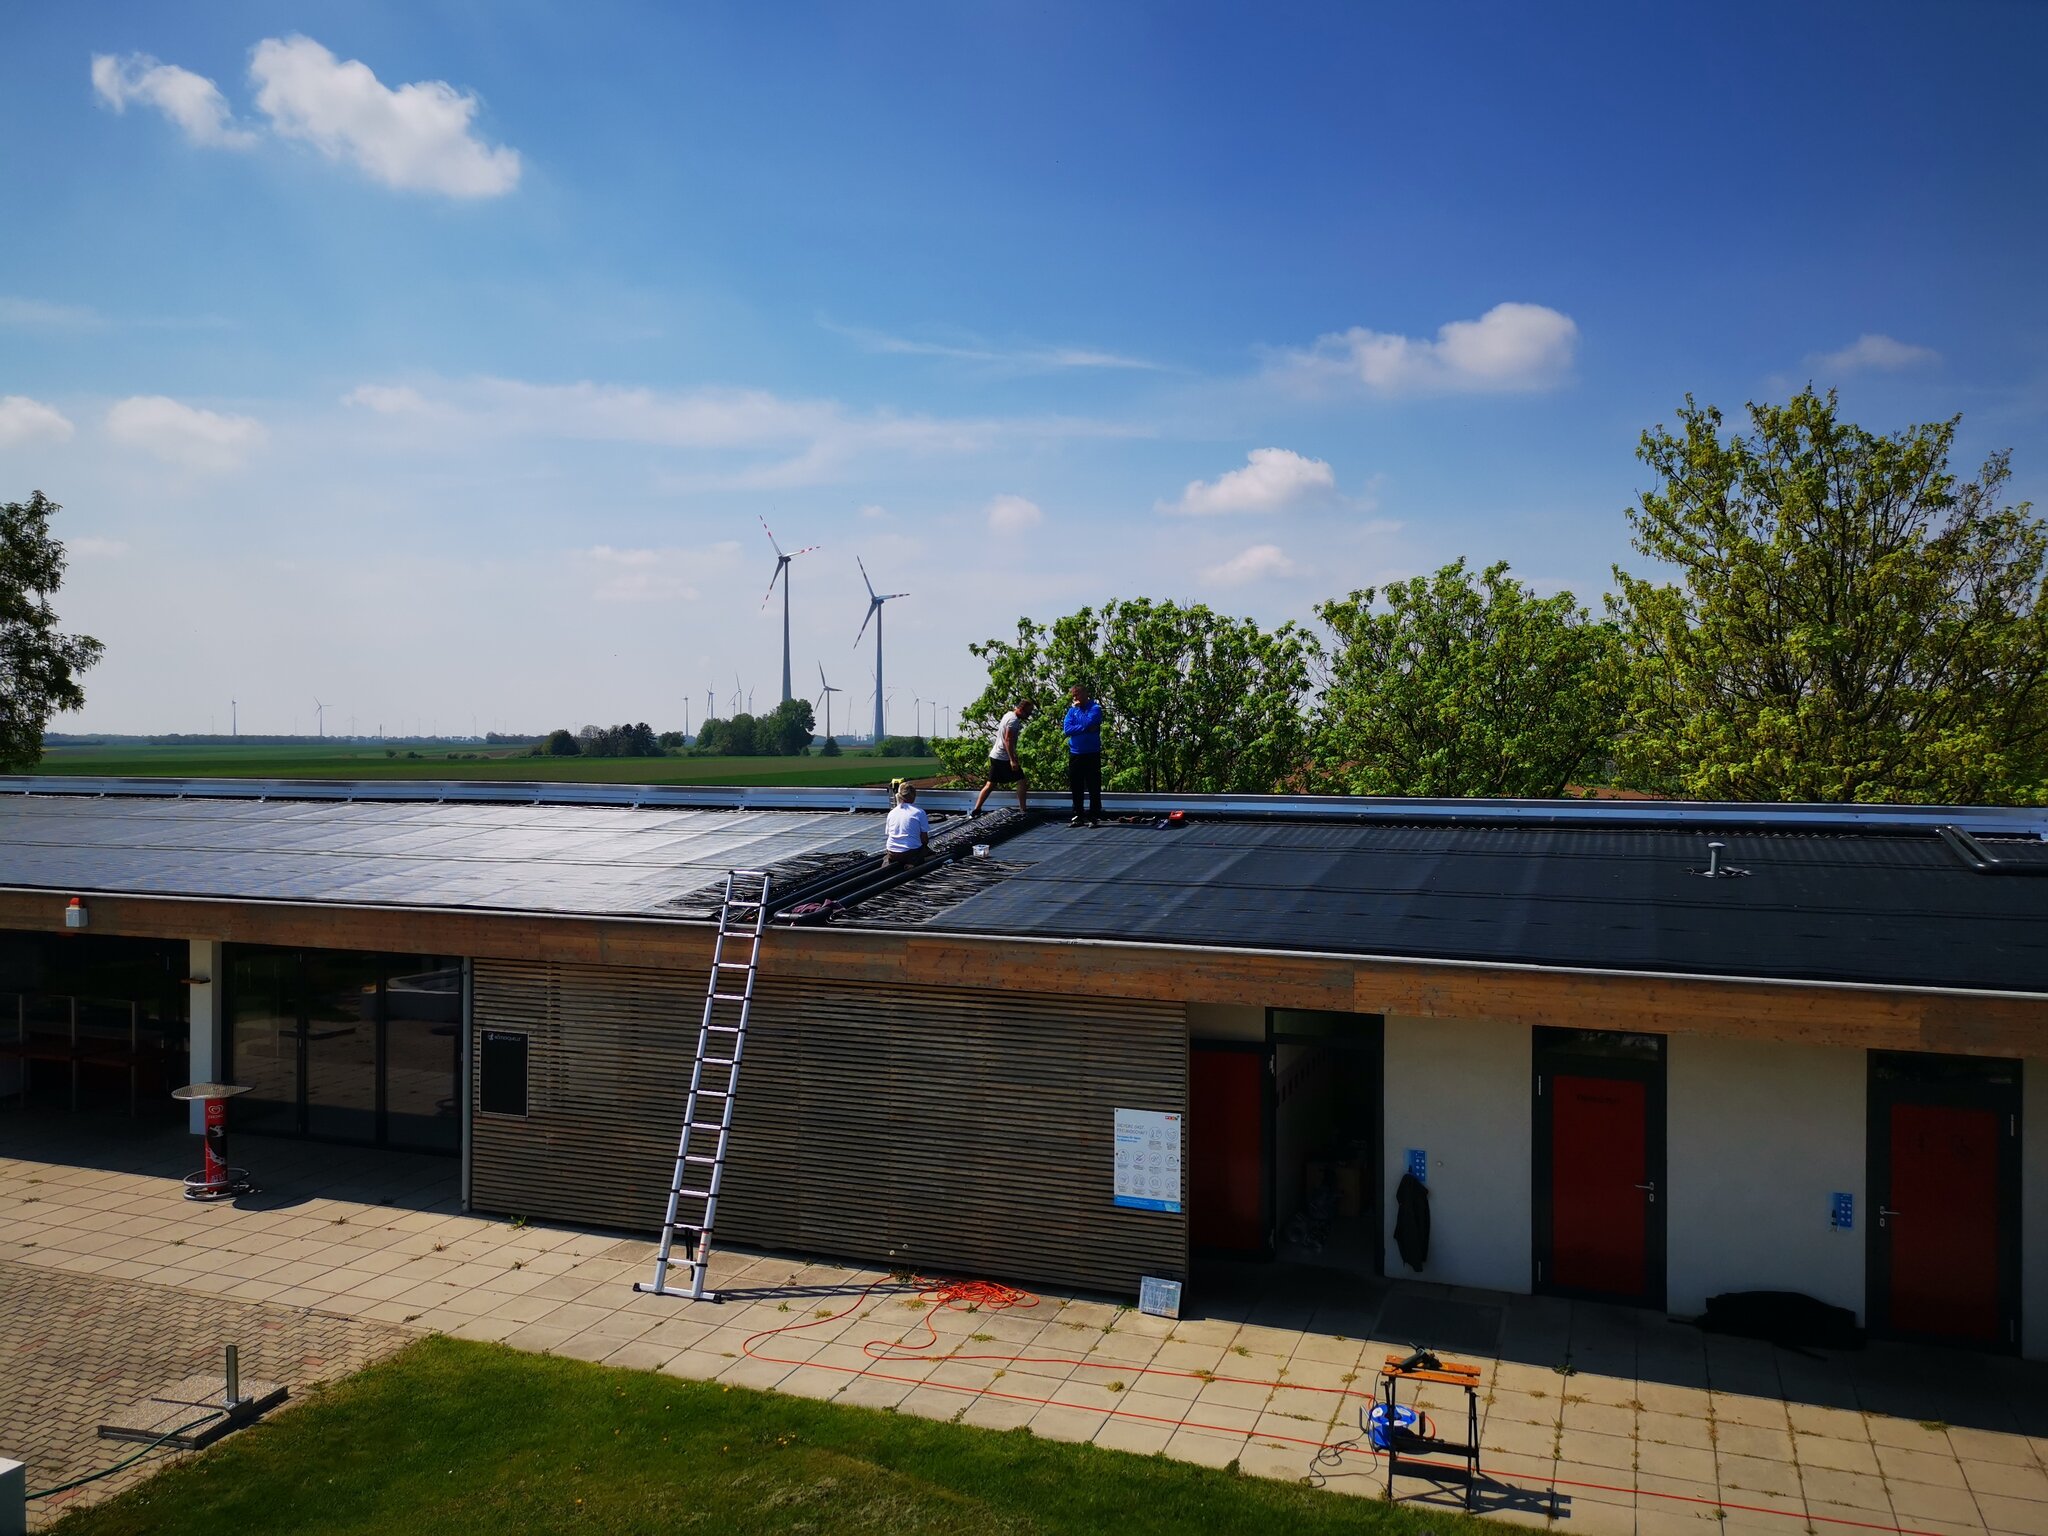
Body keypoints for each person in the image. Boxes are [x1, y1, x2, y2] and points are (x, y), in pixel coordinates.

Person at [970, 697, 1035, 814]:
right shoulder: (1014, 721)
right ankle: (1023, 809)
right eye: (1028, 713)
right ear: (1021, 709)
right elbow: (1008, 740)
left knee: (991, 783)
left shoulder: (1008, 714)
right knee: (1021, 780)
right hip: (1003, 757)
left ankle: (977, 808)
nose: (1028, 716)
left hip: (995, 755)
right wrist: (1012, 759)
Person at [1062, 682, 1105, 826]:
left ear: (1085, 694)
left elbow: (1088, 722)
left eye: (1077, 695)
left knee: (1093, 785)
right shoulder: (1071, 711)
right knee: (1076, 786)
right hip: (1076, 753)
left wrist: (1081, 721)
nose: (1075, 698)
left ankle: (1094, 816)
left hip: (1091, 753)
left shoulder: (1095, 708)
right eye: (1073, 696)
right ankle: (1078, 815)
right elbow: (1067, 729)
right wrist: (1085, 728)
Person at [882, 784, 930, 866]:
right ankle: (914, 864)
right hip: (910, 853)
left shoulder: (891, 813)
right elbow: (924, 839)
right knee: (927, 852)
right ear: (914, 796)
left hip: (892, 853)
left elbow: (889, 834)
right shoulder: (919, 812)